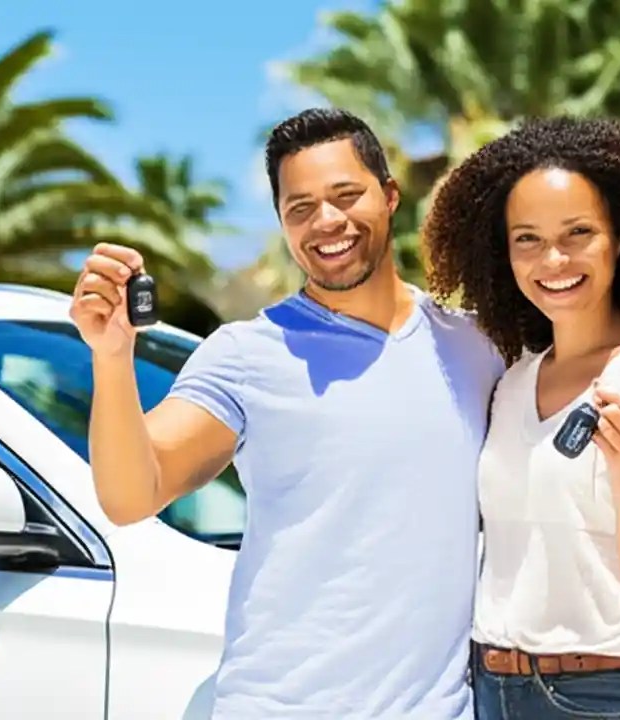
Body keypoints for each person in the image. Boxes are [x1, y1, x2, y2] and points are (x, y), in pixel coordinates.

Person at [69, 107, 505, 718]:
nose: (326, 221)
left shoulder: (475, 346)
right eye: (299, 207)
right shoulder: (247, 354)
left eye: (345, 195)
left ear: (389, 196)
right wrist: (112, 358)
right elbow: (131, 494)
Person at [420, 115, 620, 719]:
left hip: (601, 696)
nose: (554, 259)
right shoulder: (513, 380)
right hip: (489, 685)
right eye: (528, 239)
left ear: (619, 238)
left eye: (578, 233)